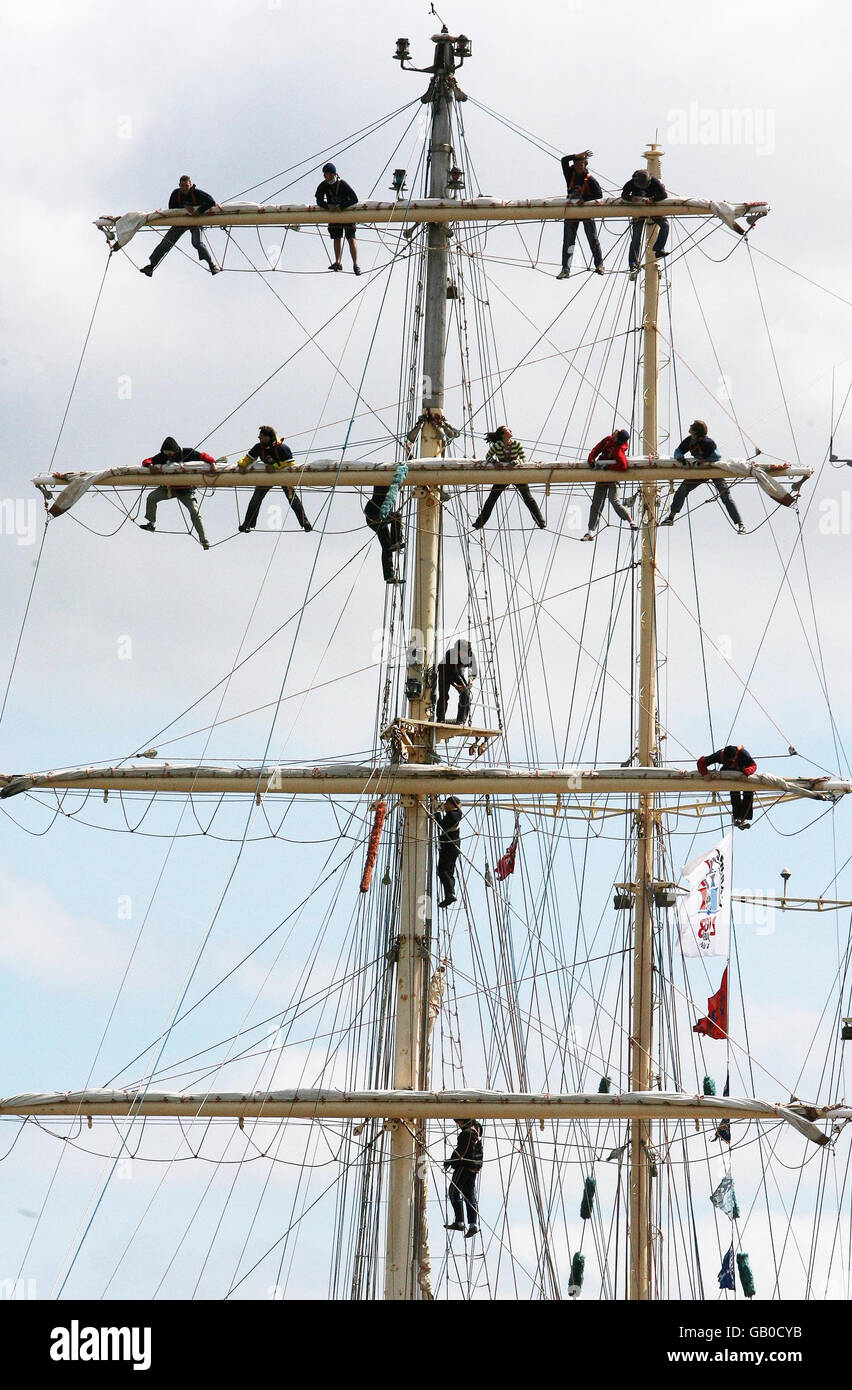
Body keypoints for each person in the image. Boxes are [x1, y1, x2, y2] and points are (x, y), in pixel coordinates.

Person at [661, 420, 745, 531]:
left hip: (714, 470)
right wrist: (681, 458)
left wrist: (704, 461)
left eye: (692, 426)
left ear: (696, 431)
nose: (690, 426)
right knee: (682, 490)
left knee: (725, 496)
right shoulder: (689, 440)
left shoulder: (708, 442)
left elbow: (717, 457)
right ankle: (671, 517)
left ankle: (739, 523)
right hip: (700, 471)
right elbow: (678, 451)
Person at [139, 437, 215, 548]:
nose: (168, 455)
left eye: (170, 453)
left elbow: (203, 456)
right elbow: (147, 461)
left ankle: (204, 540)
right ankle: (151, 523)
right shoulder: (163, 456)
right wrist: (150, 466)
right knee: (151, 497)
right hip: (168, 488)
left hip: (185, 490)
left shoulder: (187, 453)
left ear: (175, 450)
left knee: (195, 512)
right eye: (166, 453)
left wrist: (212, 463)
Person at [139, 175, 220, 276]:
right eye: (182, 186)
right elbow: (171, 208)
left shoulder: (197, 193)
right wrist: (185, 207)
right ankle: (151, 266)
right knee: (165, 243)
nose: (184, 188)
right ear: (179, 185)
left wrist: (199, 211)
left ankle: (211, 264)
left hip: (194, 221)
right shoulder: (175, 193)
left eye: (186, 186)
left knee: (197, 243)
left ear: (190, 185)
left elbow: (211, 202)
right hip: (180, 220)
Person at [237, 427, 312, 534]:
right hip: (267, 477)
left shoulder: (282, 448)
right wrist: (242, 465)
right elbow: (248, 458)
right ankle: (248, 524)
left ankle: (305, 523)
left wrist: (275, 466)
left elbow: (290, 462)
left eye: (261, 436)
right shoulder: (259, 447)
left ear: (267, 437)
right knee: (255, 500)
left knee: (293, 500)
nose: (259, 437)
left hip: (283, 475)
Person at [472, 426, 545, 531]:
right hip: (503, 474)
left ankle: (540, 522)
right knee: (492, 499)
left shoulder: (516, 444)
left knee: (528, 498)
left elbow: (523, 458)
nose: (510, 431)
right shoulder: (497, 446)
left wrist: (515, 462)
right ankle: (480, 523)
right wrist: (495, 463)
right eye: (507, 430)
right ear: (502, 434)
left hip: (516, 473)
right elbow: (488, 456)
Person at [582, 428, 638, 540]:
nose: (615, 431)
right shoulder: (608, 440)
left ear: (618, 438)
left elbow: (623, 465)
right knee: (596, 503)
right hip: (602, 475)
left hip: (612, 478)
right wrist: (591, 460)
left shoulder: (618, 450)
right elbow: (596, 449)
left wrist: (609, 467)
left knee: (614, 500)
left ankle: (631, 521)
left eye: (616, 434)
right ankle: (590, 531)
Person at [557, 150, 605, 279]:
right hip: (572, 210)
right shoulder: (569, 174)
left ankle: (599, 264)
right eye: (577, 165)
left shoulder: (590, 179)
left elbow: (599, 195)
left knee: (592, 238)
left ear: (585, 166)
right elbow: (564, 161)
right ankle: (565, 269)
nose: (578, 167)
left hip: (585, 210)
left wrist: (585, 199)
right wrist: (575, 155)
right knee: (568, 241)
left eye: (581, 165)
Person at [622, 168, 669, 279]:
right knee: (636, 237)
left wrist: (652, 199)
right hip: (638, 209)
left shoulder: (655, 182)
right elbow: (624, 195)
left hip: (651, 209)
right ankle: (633, 264)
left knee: (665, 225)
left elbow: (664, 195)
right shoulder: (631, 182)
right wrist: (631, 198)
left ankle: (659, 249)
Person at [698, 744, 757, 828]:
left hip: (742, 771)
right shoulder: (720, 755)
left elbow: (753, 765)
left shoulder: (743, 754)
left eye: (733, 759)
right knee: (734, 790)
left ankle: (743, 818)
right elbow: (701, 762)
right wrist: (704, 773)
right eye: (729, 760)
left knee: (748, 791)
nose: (732, 761)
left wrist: (747, 773)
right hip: (728, 771)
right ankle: (737, 817)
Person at [315, 162, 360, 274]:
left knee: (351, 239)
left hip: (346, 214)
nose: (325, 176)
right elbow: (319, 200)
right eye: (324, 174)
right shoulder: (323, 185)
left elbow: (354, 199)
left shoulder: (342, 184)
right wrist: (327, 206)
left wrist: (342, 206)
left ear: (333, 174)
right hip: (334, 214)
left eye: (327, 173)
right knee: (336, 238)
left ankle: (355, 264)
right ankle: (338, 262)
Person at [444, 1118, 483, 1238]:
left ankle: (459, 1222)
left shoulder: (466, 1133)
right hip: (475, 1167)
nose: (457, 1124)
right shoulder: (477, 1130)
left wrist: (450, 1161)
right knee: (469, 1196)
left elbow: (461, 1151)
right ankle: (473, 1225)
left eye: (458, 1122)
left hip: (464, 1166)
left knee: (453, 1191)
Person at [364, 484, 404, 584]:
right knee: (397, 516)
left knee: (386, 546)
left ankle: (389, 576)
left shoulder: (391, 486)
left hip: (374, 517)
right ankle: (396, 541)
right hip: (374, 515)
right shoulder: (384, 481)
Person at [435, 639, 477, 725]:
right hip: (445, 671)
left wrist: (471, 679)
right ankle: (440, 719)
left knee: (465, 693)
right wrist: (456, 685)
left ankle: (460, 720)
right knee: (444, 696)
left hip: (458, 672)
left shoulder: (470, 656)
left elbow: (474, 671)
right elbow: (449, 674)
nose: (460, 654)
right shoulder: (450, 654)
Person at [436, 796, 462, 908]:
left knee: (443, 870)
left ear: (452, 804)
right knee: (449, 872)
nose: (444, 806)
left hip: (449, 847)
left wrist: (436, 814)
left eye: (446, 804)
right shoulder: (455, 814)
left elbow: (443, 824)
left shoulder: (453, 815)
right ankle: (450, 894)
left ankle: (450, 893)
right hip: (452, 847)